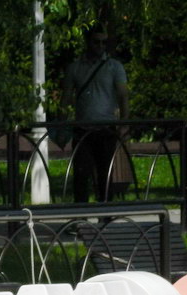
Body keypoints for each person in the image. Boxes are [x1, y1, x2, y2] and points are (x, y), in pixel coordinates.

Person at [63, 27, 129, 203]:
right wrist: (62, 121)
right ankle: (81, 217)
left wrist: (124, 123)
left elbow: (123, 96)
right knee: (81, 175)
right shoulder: (75, 68)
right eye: (96, 41)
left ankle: (105, 215)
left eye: (104, 42)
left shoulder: (114, 67)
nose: (100, 46)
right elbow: (66, 98)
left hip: (106, 129)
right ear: (88, 42)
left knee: (105, 174)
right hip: (82, 129)